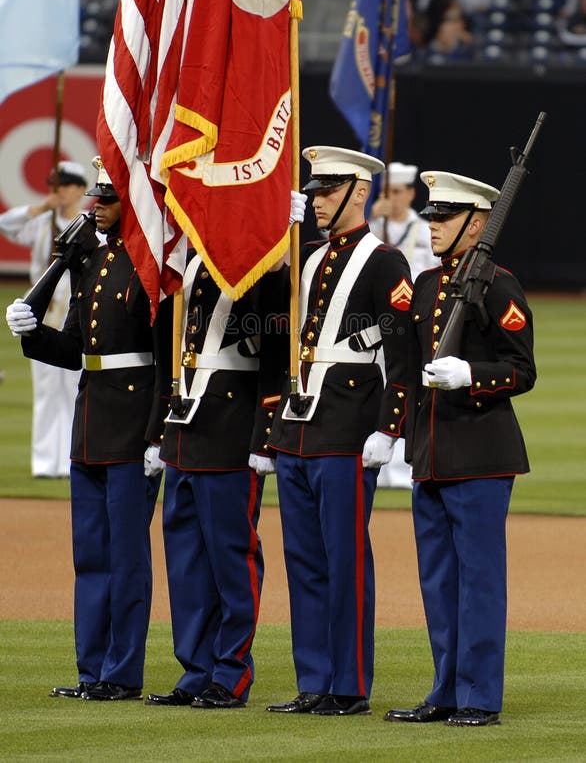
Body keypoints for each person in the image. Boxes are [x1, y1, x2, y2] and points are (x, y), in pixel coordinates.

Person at [5, 156, 171, 702]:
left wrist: (155, 436)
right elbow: (79, 350)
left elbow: (164, 358)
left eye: (107, 198)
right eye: (95, 196)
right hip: (92, 415)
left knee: (127, 555)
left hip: (132, 421)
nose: (95, 206)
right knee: (91, 553)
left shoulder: (151, 264)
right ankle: (92, 669)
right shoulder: (90, 262)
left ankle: (122, 673)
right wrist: (32, 334)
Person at [385, 170, 536, 727]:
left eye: (445, 218)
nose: (433, 227)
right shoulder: (426, 286)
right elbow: (403, 368)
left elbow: (522, 371)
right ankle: (445, 690)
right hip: (432, 456)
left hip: (480, 457)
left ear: (477, 224)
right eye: (431, 217)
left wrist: (470, 373)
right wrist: (393, 431)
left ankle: (479, 697)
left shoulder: (498, 285)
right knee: (439, 582)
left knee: (478, 582)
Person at [265, 146, 412, 717]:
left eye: (327, 191)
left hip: (349, 430)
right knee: (303, 561)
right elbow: (287, 345)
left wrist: (388, 428)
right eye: (316, 191)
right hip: (300, 429)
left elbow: (401, 354)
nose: (318, 200)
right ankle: (313, 680)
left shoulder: (384, 263)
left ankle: (347, 686)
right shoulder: (309, 258)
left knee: (344, 560)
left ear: (358, 192)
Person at [145, 193, 305, 711]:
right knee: (187, 561)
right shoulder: (192, 265)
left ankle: (231, 672)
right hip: (187, 428)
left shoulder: (256, 269)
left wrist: (278, 248)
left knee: (232, 559)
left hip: (231, 432)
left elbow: (275, 347)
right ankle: (196, 670)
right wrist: (158, 434)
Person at [0, 161, 88, 478]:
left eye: (65, 185)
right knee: (46, 388)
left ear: (80, 188)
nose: (59, 191)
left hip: (73, 311)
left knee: (72, 385)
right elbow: (6, 225)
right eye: (55, 186)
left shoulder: (85, 224)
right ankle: (43, 461)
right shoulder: (42, 223)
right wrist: (39, 209)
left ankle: (68, 458)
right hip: (42, 312)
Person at [369, 161, 438, 489]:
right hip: (375, 324)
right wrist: (373, 221)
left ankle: (400, 469)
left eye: (397, 192)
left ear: (410, 193)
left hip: (412, 324)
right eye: (387, 192)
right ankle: (377, 464)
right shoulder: (373, 228)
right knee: (378, 388)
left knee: (406, 389)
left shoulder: (426, 230)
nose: (393, 198)